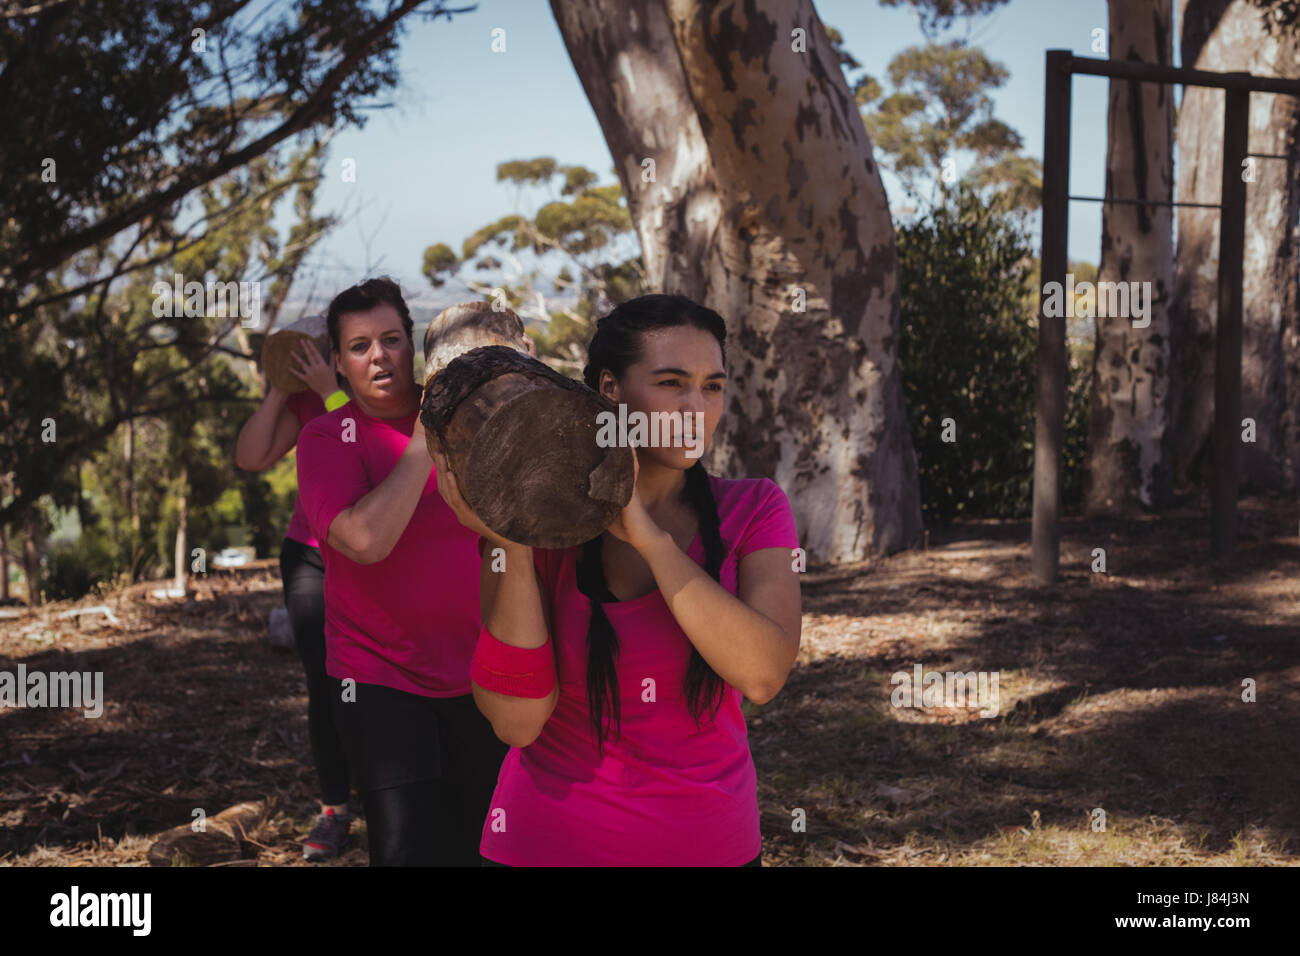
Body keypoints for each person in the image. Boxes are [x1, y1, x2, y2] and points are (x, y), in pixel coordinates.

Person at [435, 293, 804, 866]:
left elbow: (761, 674)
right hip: (546, 845)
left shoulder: (755, 508)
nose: (695, 407)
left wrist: (649, 538)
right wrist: (511, 542)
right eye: (671, 382)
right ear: (610, 390)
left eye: (712, 385)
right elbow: (516, 721)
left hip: (709, 848)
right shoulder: (540, 524)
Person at [294, 277, 509, 866]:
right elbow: (364, 541)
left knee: (484, 844)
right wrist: (424, 437)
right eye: (359, 346)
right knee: (404, 847)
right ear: (337, 362)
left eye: (390, 339)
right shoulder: (326, 437)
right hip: (378, 675)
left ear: (410, 344)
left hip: (479, 668)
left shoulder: (469, 415)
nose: (379, 356)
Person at [235, 329, 354, 861]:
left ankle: (391, 796)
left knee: (379, 679)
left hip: (374, 555)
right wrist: (282, 387)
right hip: (308, 552)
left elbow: (364, 451)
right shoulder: (308, 398)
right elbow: (251, 456)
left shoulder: (387, 393)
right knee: (323, 678)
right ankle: (335, 807)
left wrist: (331, 390)